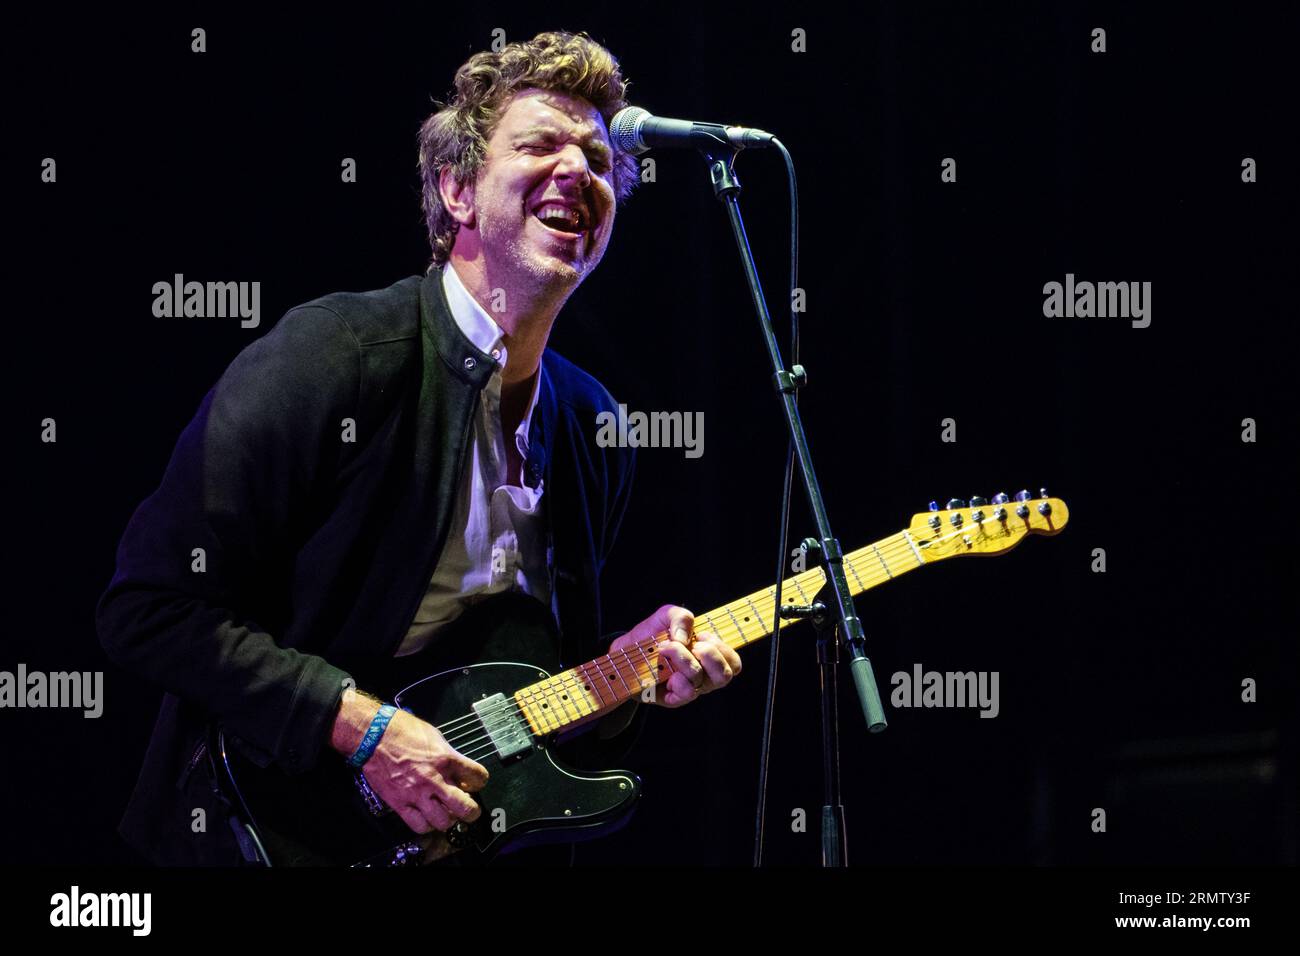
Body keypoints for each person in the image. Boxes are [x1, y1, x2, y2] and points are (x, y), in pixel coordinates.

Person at [96, 29, 741, 866]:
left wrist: (622, 677)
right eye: (541, 144)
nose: (579, 169)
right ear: (458, 191)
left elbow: (504, 697)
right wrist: (361, 727)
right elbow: (148, 608)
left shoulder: (589, 420)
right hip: (264, 828)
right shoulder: (333, 355)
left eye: (594, 155)